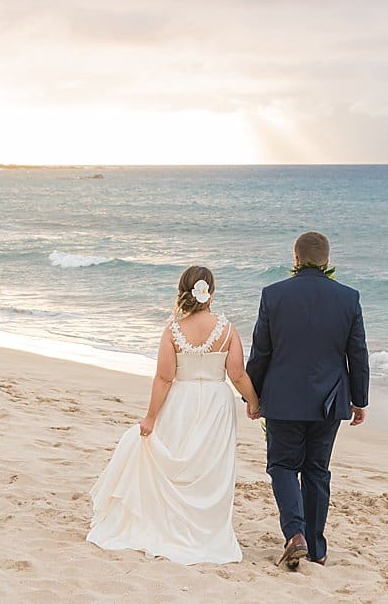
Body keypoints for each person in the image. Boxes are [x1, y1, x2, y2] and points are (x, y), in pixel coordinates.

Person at [87, 265, 261, 565]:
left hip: (182, 401)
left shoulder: (173, 331)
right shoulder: (228, 330)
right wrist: (255, 402)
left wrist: (151, 416)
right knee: (211, 468)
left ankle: (172, 526)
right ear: (211, 294)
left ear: (183, 292)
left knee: (179, 461)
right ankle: (206, 531)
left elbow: (165, 377)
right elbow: (237, 374)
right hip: (217, 404)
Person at [245, 231, 369, 570]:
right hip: (329, 401)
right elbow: (357, 354)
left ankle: (295, 534)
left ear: (296, 259)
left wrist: (252, 395)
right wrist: (359, 400)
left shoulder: (273, 295)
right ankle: (315, 548)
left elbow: (261, 352)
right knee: (316, 471)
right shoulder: (348, 298)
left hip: (283, 399)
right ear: (327, 261)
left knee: (283, 466)